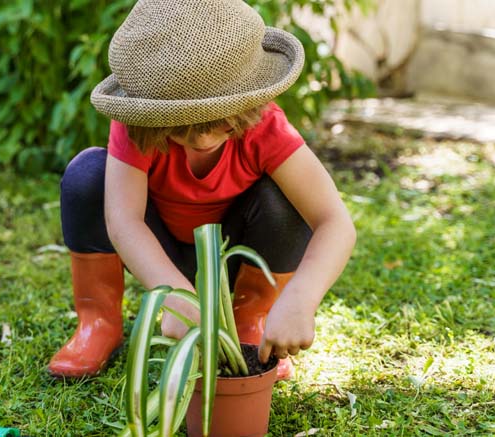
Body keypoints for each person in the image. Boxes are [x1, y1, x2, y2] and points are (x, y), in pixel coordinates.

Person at [48, 0, 356, 379]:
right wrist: (175, 293)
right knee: (87, 176)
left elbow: (334, 221)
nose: (204, 137)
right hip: (158, 250)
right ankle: (99, 323)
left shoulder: (265, 127)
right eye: (179, 126)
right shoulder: (138, 125)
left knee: (284, 198)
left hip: (234, 257)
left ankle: (249, 322)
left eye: (220, 122)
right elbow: (124, 221)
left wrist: (301, 299)